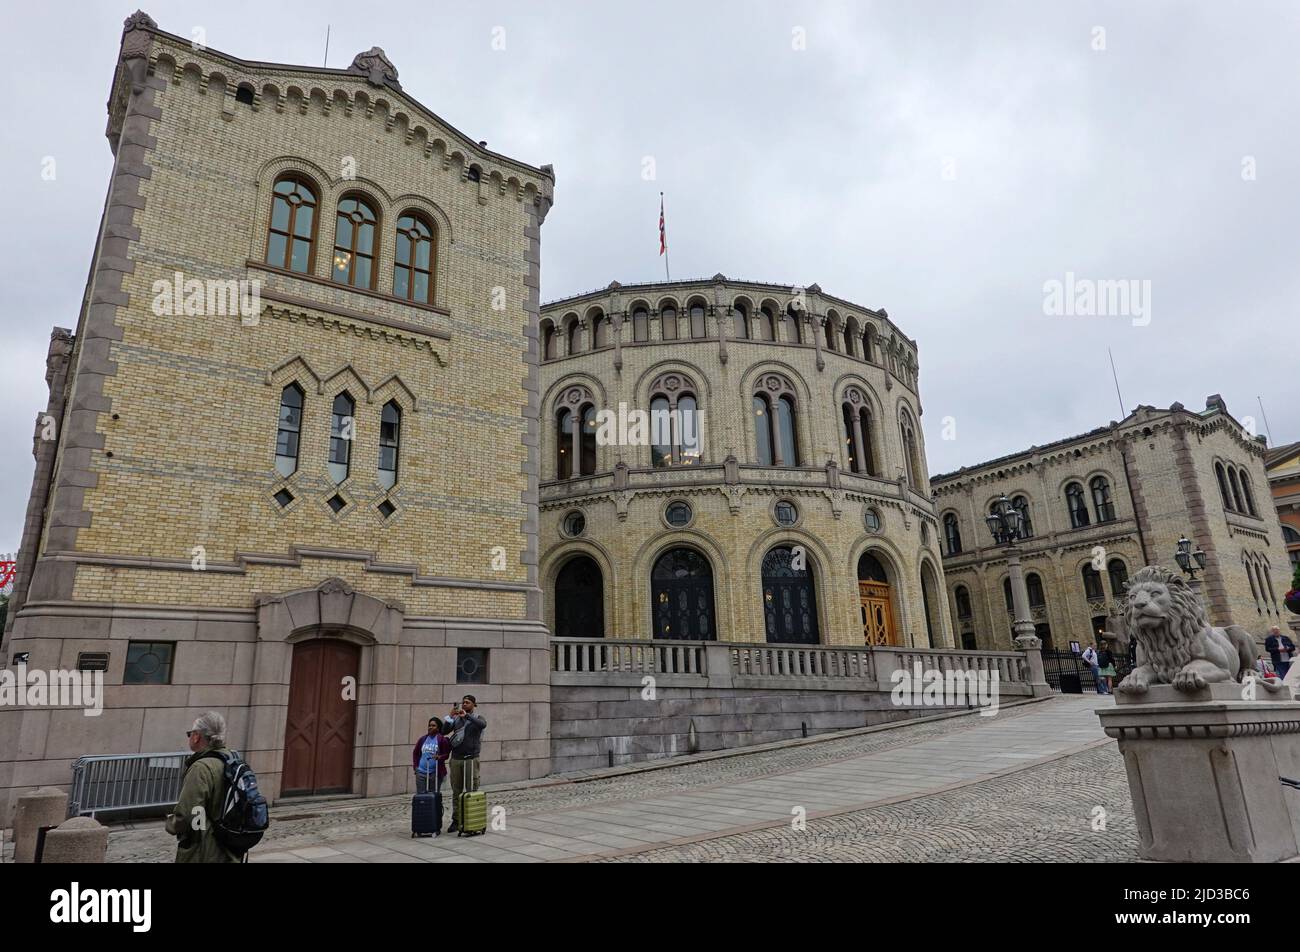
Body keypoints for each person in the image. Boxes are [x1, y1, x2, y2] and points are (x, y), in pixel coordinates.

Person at [165, 711, 241, 863]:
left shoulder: (201, 767)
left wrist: (171, 824)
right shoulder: (232, 759)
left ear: (197, 736)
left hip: (204, 850)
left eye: (190, 733)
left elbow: (187, 814)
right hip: (231, 847)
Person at [445, 695, 487, 834]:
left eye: (467, 703)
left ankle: (470, 819)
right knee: (456, 790)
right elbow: (444, 731)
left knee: (471, 789)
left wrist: (467, 717)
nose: (464, 705)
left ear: (474, 705)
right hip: (456, 758)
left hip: (471, 758)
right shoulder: (457, 719)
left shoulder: (478, 718)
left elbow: (482, 725)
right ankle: (456, 820)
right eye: (463, 702)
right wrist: (450, 717)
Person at [412, 716, 453, 832]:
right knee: (421, 798)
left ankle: (434, 823)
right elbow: (415, 753)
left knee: (434, 798)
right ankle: (422, 823)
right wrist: (415, 767)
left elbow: (446, 754)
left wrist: (439, 757)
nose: (431, 727)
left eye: (433, 725)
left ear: (438, 727)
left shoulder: (441, 739)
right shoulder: (423, 739)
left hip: (435, 773)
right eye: (429, 725)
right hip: (421, 772)